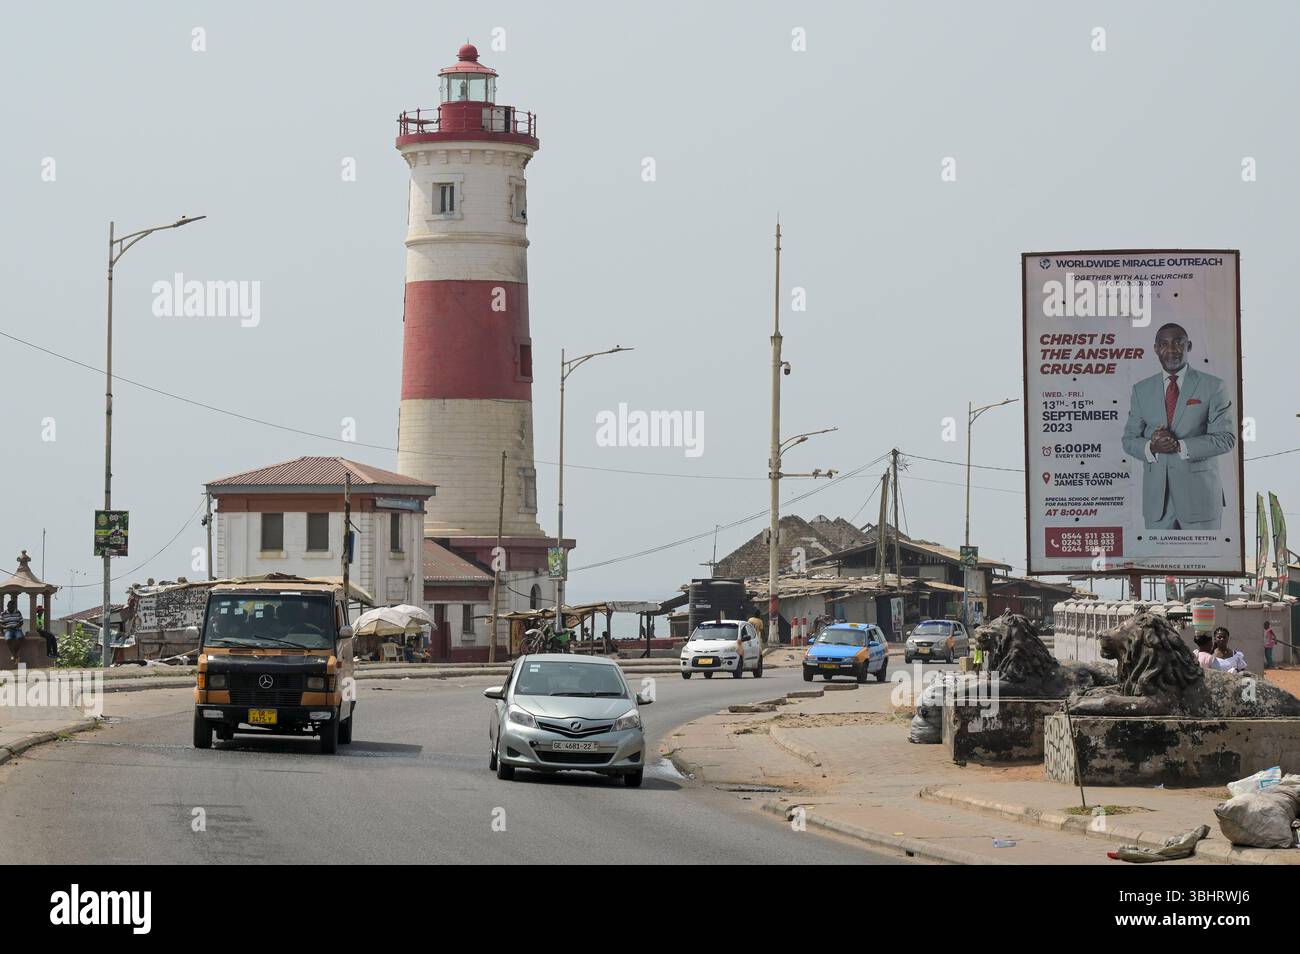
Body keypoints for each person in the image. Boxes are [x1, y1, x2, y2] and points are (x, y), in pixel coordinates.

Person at [1120, 322, 1236, 530]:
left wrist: (1179, 445)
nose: (1171, 349)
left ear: (1189, 346)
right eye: (1164, 344)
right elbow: (1129, 440)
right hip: (1158, 506)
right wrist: (1152, 447)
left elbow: (1225, 439)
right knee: (1157, 563)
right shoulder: (1141, 390)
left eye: (1178, 343)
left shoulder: (1214, 386)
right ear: (1156, 348)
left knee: (1204, 562)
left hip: (1201, 502)